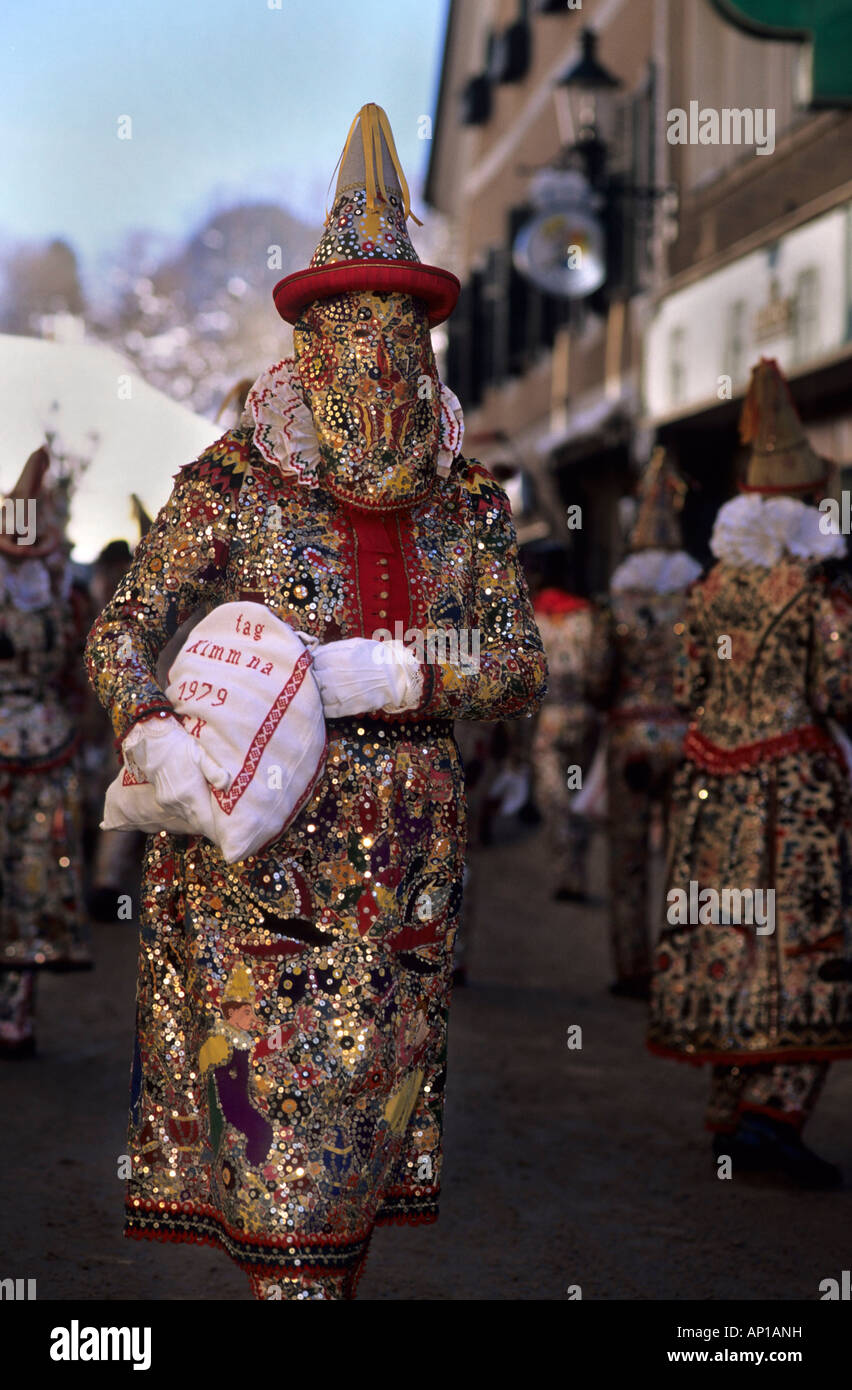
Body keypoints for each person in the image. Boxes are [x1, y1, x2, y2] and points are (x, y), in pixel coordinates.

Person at [85, 102, 547, 1299]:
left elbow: (519, 658)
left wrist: (406, 672)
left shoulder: (467, 497)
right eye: (356, 327)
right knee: (278, 1156)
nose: (379, 356)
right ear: (311, 337)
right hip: (259, 856)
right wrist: (150, 729)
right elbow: (125, 627)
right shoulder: (234, 479)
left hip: (407, 874)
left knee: (355, 1147)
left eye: (403, 329)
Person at [648, 358, 852, 1189]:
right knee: (798, 943)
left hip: (713, 783)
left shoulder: (705, 592)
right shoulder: (817, 591)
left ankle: (731, 1114)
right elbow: (839, 689)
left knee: (727, 936)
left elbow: (689, 688)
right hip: (793, 785)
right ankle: (777, 1113)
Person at [586, 449, 700, 996]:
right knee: (685, 860)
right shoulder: (697, 599)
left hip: (630, 737)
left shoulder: (616, 601)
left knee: (627, 860)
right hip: (687, 739)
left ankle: (631, 967)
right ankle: (678, 965)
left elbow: (596, 679)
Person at [0, 445, 91, 1056]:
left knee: (30, 880)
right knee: (25, 881)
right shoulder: (62, 601)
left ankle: (15, 1008)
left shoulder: (63, 600)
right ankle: (14, 1011)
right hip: (45, 748)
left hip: (43, 756)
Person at [526, 541, 597, 901]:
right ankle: (577, 870)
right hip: (585, 718)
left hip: (548, 720)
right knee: (578, 794)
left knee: (553, 796)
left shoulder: (532, 620)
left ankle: (564, 869)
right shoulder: (587, 618)